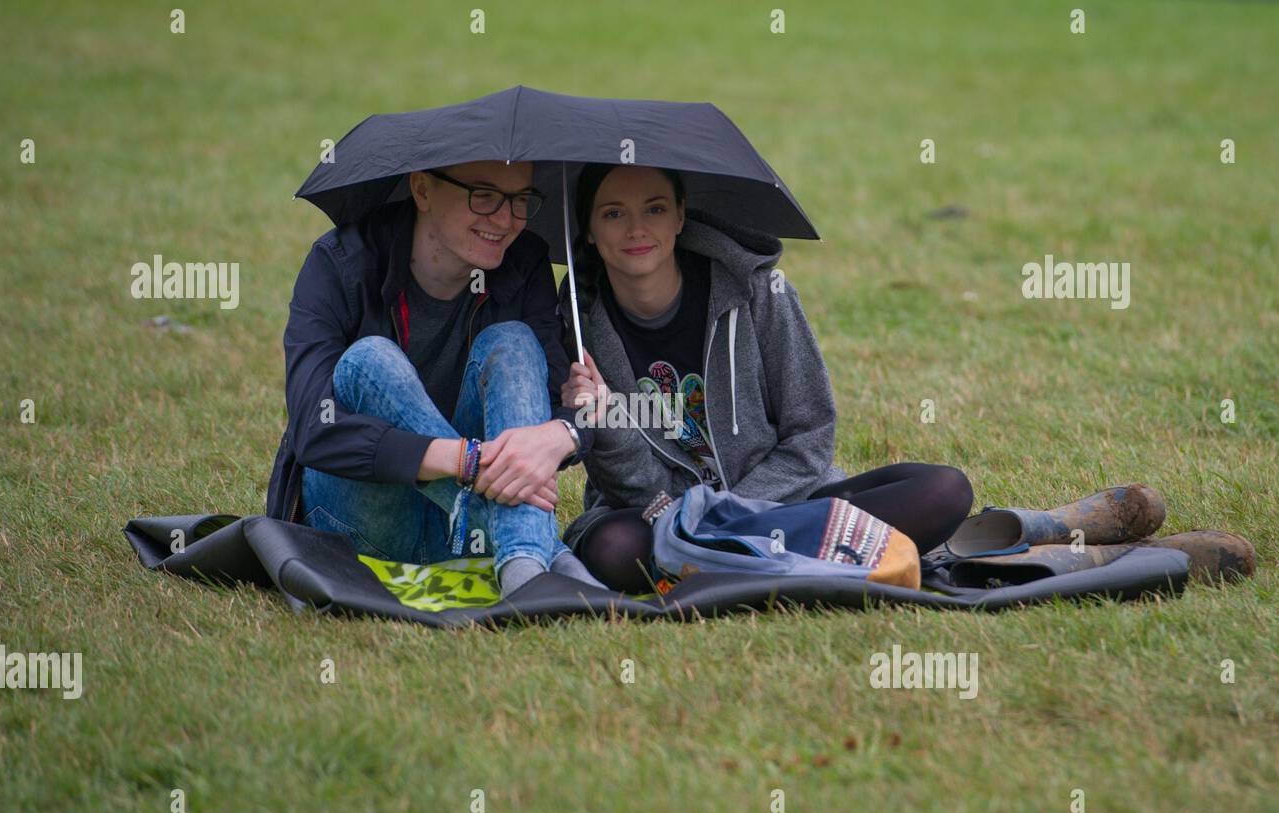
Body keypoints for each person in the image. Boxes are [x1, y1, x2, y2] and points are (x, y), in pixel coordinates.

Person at [559, 164, 974, 592]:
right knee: (613, 546)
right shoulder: (578, 321)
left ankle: (720, 564)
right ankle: (810, 561)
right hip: (659, 516)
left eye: (655, 209)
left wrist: (735, 513)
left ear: (680, 216)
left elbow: (810, 433)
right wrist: (603, 421)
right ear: (587, 229)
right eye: (612, 214)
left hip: (783, 503)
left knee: (943, 490)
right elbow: (628, 487)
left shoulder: (761, 292)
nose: (636, 229)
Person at [266, 160, 606, 597]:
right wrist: (463, 459)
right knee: (370, 359)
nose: (505, 220)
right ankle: (539, 557)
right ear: (422, 190)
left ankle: (524, 562)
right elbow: (314, 429)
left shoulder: (524, 263)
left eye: (521, 200)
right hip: (362, 529)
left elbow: (565, 402)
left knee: (515, 342)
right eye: (483, 196)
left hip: (464, 539)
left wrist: (568, 432)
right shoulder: (341, 262)